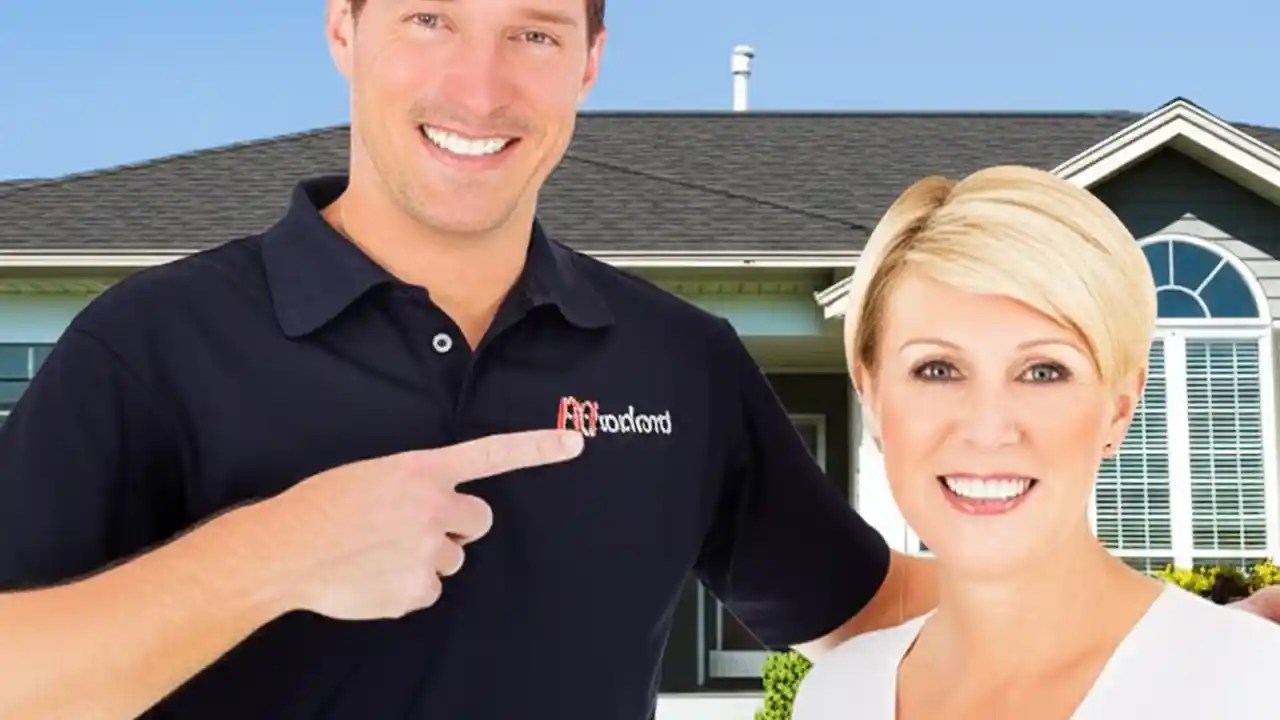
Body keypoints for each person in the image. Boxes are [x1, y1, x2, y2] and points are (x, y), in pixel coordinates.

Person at [0, 1, 941, 718]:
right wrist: (270, 556)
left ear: (590, 62)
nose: (478, 90)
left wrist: (1075, 574)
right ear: (343, 29)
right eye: (429, 19)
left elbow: (872, 607)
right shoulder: (153, 345)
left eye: (532, 34)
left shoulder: (680, 363)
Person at [791, 165, 1280, 720]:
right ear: (872, 395)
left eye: (1044, 371)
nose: (988, 427)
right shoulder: (836, 696)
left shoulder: (1253, 684)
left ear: (1121, 406)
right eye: (937, 369)